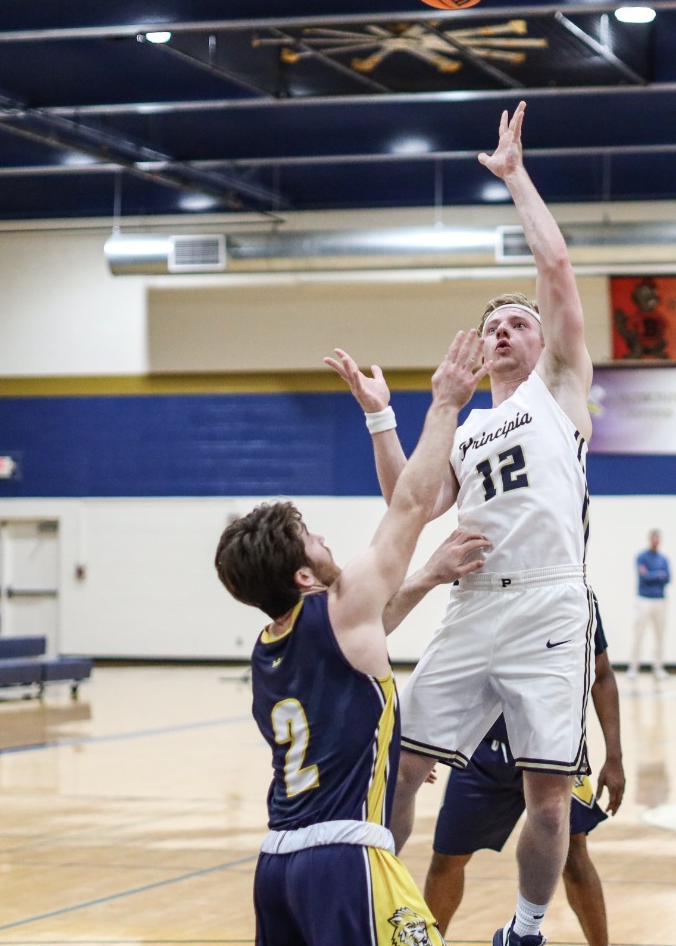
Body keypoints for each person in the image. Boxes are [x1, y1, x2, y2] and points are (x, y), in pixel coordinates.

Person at [324, 102, 596, 946]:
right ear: (477, 353)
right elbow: (409, 499)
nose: (506, 330)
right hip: (475, 603)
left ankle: (523, 927)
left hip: (550, 604)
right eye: (493, 326)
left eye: (518, 321)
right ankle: (384, 905)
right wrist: (380, 418)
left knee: (547, 791)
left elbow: (554, 263)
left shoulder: (560, 392)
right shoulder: (470, 428)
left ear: (543, 340)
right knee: (404, 762)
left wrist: (514, 176)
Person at [220, 331, 482, 946]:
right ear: (303, 575)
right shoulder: (339, 604)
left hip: (277, 864)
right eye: (308, 534)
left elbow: (363, 638)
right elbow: (413, 504)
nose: (321, 537)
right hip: (344, 859)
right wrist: (444, 403)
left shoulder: (273, 642)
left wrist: (428, 577)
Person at [418, 592, 625, 946]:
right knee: (446, 858)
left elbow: (601, 675)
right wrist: (426, 744)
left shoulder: (576, 595)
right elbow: (451, 672)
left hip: (555, 750)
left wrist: (615, 756)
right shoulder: (483, 588)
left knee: (574, 855)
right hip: (485, 752)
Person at [630, 530, 669, 680]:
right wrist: (658, 575)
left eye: (657, 539)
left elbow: (668, 577)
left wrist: (652, 574)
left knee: (659, 635)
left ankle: (658, 667)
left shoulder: (664, 559)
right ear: (649, 540)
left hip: (660, 600)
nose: (655, 541)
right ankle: (633, 667)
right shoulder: (641, 557)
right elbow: (643, 576)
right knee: (638, 634)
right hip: (643, 600)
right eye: (653, 539)